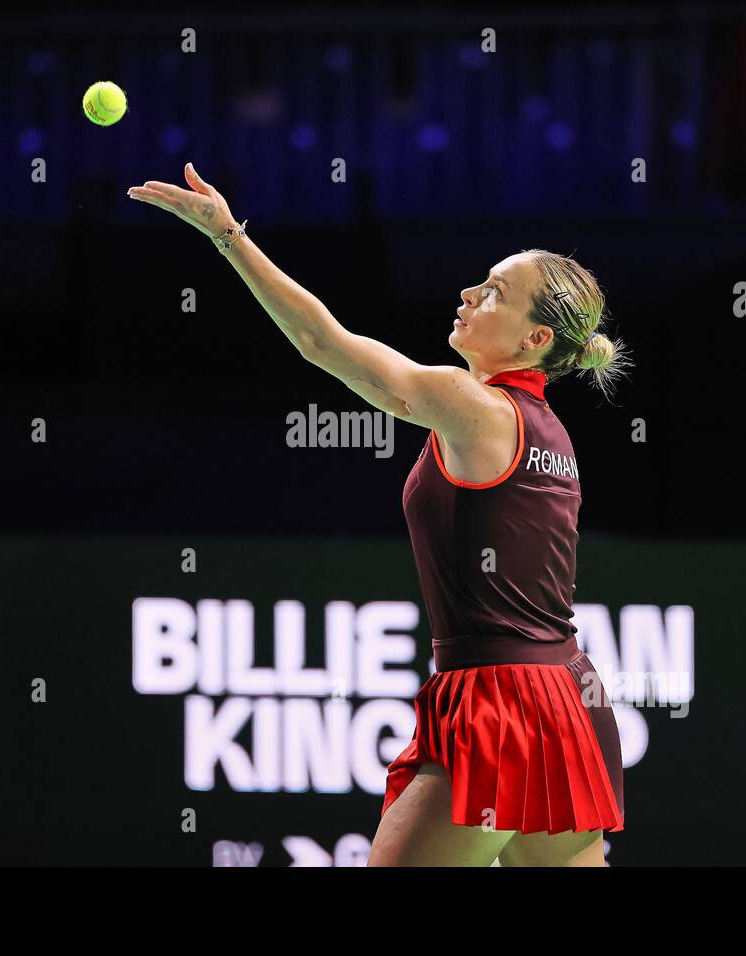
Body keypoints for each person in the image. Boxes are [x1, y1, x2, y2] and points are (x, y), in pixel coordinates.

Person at [128, 164, 631, 867]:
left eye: (494, 293)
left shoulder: (476, 406)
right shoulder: (548, 431)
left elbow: (324, 346)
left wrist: (228, 236)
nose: (468, 293)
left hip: (499, 700)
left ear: (534, 341)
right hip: (566, 694)